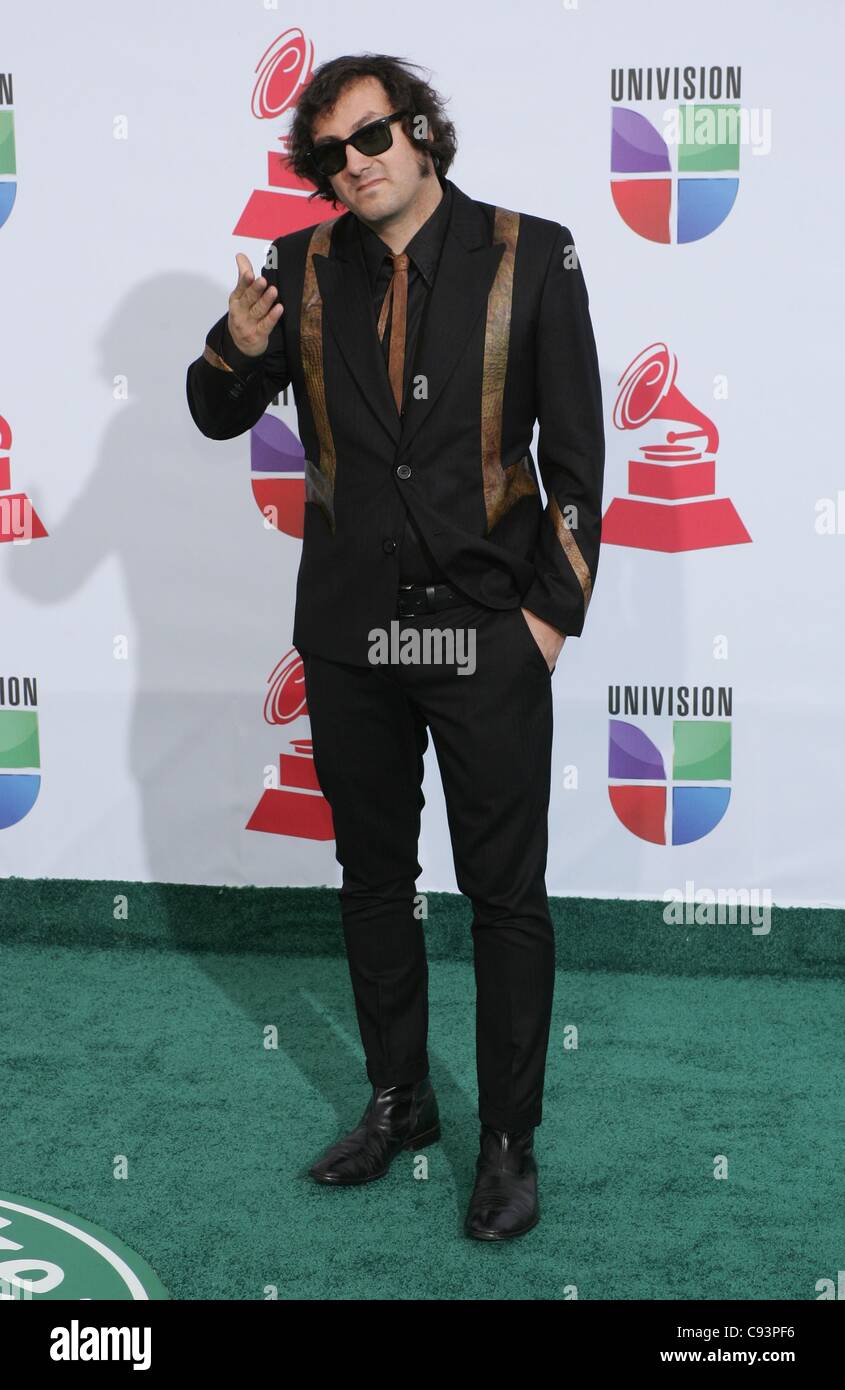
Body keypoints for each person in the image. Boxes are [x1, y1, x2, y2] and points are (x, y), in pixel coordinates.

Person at [186, 52, 605, 1240]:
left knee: (503, 896)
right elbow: (219, 411)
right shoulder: (297, 267)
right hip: (349, 635)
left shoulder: (535, 252)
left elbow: (576, 458)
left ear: (422, 131)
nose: (352, 166)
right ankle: (398, 1100)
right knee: (373, 881)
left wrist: (544, 621)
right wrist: (229, 342)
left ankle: (509, 1144)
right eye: (327, 156)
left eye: (370, 138)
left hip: (487, 632)